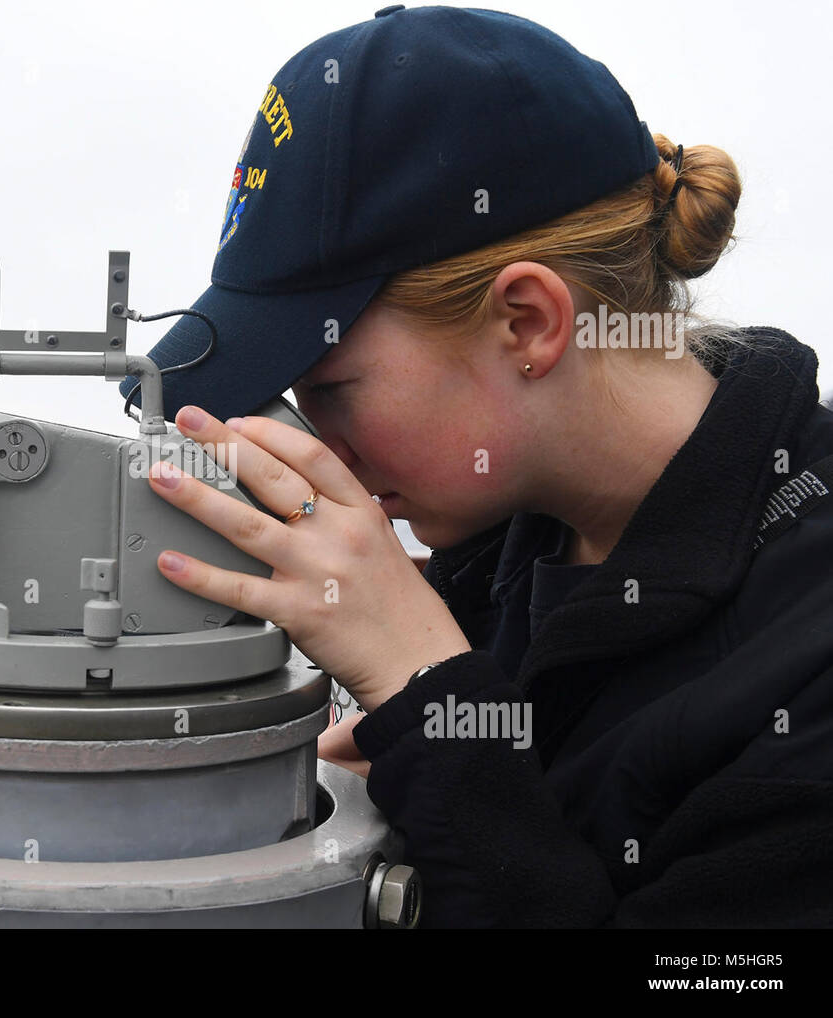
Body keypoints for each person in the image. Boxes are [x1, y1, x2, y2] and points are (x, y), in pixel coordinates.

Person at [119, 5, 833, 927]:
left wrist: (435, 711)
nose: (313, 443)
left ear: (528, 320)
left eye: (329, 385)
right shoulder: (508, 548)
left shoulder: (807, 666)